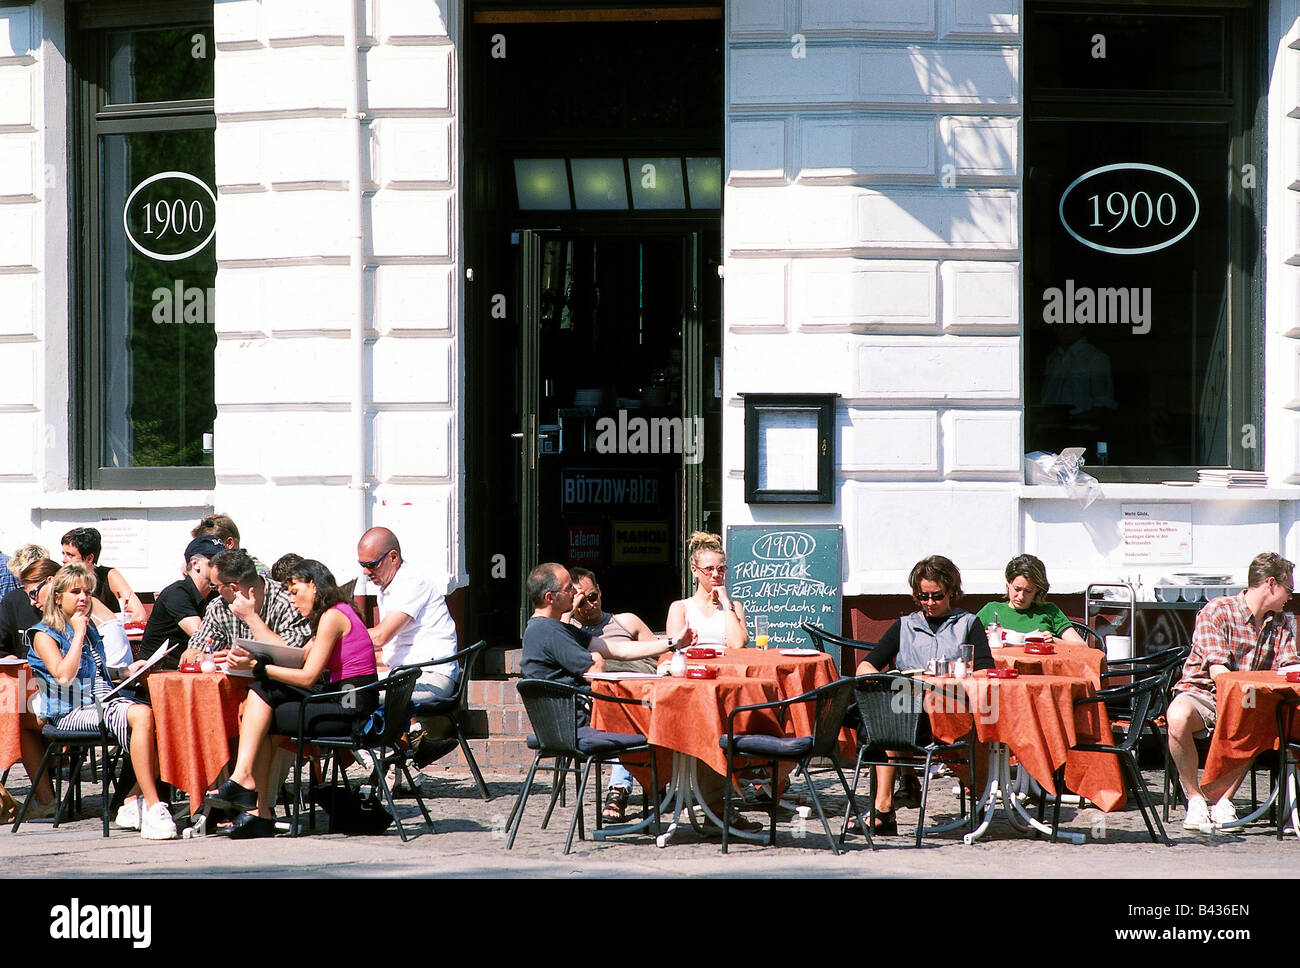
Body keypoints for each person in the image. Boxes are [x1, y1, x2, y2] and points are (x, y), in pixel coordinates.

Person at [205, 559, 379, 837]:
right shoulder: (333, 613)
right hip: (345, 700)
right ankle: (253, 802)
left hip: (350, 708)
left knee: (264, 694)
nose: (292, 600)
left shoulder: (333, 616)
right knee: (265, 697)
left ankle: (250, 795)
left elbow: (308, 676)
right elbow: (298, 658)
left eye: (295, 591)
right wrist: (256, 658)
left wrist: (259, 668)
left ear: (313, 585)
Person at [25, 563, 175, 839]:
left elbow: (99, 672)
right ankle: (154, 807)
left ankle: (132, 799)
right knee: (141, 715)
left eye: (87, 592)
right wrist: (79, 633)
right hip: (70, 710)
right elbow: (63, 676)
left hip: (104, 702)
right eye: (75, 592)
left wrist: (128, 671)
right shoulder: (44, 634)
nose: (83, 598)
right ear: (58, 597)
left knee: (167, 719)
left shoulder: (91, 629)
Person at [853, 555, 993, 834]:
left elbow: (985, 671)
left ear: (952, 592)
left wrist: (955, 678)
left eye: (936, 596)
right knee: (887, 711)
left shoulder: (967, 624)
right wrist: (876, 680)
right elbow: (867, 664)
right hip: (906, 706)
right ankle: (884, 805)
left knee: (891, 714)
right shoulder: (905, 625)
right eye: (922, 596)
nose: (929, 602)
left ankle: (888, 805)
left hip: (950, 710)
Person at [1168, 552, 1300, 831]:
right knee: (1177, 716)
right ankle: (1195, 798)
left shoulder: (1283, 622)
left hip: (1249, 700)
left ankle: (1223, 800)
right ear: (1271, 584)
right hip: (1204, 693)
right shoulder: (1217, 610)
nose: (1290, 597)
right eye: (1289, 589)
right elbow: (1218, 670)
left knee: (1257, 713)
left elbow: (1289, 665)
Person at [564, 566, 659, 822]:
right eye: (581, 601)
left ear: (600, 592)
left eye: (592, 596)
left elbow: (660, 655)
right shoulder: (569, 631)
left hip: (646, 695)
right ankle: (618, 789)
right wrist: (569, 612)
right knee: (619, 712)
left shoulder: (626, 620)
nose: (589, 605)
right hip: (602, 703)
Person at [356, 527, 460, 754]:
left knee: (354, 699)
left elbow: (381, 636)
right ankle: (409, 751)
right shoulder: (389, 586)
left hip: (432, 678)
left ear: (392, 557)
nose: (365, 572)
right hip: (408, 674)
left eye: (371, 564)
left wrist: (333, 641)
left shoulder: (411, 583)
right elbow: (390, 650)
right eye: (361, 565)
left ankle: (389, 760)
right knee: (344, 690)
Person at [179, 549, 310, 666]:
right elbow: (190, 654)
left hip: (283, 687)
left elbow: (293, 657)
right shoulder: (219, 607)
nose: (214, 591)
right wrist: (202, 658)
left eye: (215, 586)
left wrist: (251, 618)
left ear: (233, 588)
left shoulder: (288, 602)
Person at [139, 536, 224, 671]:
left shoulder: (215, 594)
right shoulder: (177, 593)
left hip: (190, 667)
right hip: (158, 672)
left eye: (224, 560)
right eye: (213, 559)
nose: (222, 565)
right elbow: (202, 634)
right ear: (195, 563)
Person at [975, 554, 1087, 647]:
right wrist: (981, 639)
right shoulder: (991, 610)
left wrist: (1054, 641)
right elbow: (964, 642)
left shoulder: (1049, 611)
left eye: (1028, 591)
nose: (1021, 596)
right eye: (1017, 589)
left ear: (1037, 590)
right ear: (1008, 583)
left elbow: (1082, 646)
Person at [666, 531, 748, 650]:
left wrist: (725, 602)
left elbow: (737, 644)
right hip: (693, 666)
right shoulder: (680, 607)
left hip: (726, 666)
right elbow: (676, 649)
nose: (715, 574)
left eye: (720, 569)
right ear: (694, 570)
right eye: (709, 569)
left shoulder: (734, 607)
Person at [60, 527, 146, 624]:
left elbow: (139, 615)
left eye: (70, 555)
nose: (64, 560)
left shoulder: (109, 576)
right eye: (63, 554)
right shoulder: (61, 580)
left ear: (89, 558)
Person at [1, 556, 57, 658]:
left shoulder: (75, 613)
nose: (32, 602)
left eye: (33, 593)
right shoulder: (13, 601)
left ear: (50, 581)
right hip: (23, 671)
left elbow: (62, 671)